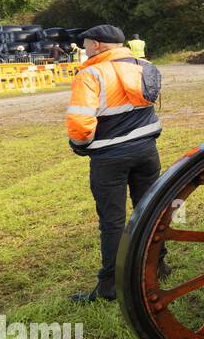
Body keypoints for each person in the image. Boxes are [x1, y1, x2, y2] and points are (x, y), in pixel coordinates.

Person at [65, 24, 164, 302]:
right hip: (146, 150)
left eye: (86, 43)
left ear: (97, 45)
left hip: (110, 157)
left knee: (112, 221)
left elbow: (80, 121)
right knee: (151, 211)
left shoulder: (90, 73)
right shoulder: (144, 65)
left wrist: (80, 145)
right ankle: (158, 265)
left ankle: (109, 284)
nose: (84, 48)